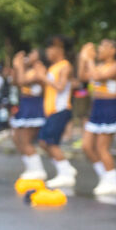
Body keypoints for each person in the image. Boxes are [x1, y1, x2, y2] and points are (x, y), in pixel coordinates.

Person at [77, 39, 116, 196]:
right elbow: (82, 77)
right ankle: (104, 177)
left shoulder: (115, 66)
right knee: (86, 146)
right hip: (97, 107)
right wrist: (82, 58)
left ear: (113, 50)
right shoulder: (99, 66)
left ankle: (114, 181)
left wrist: (89, 60)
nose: (99, 49)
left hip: (110, 107)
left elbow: (98, 77)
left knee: (102, 148)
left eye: (103, 47)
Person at [38, 36, 78, 189]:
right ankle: (65, 168)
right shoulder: (52, 67)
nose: (47, 52)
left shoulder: (65, 66)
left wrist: (43, 77)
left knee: (51, 143)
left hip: (61, 109)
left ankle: (65, 174)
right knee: (43, 142)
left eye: (50, 48)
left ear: (58, 49)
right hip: (50, 110)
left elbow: (60, 87)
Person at [10, 48, 48, 180]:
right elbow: (15, 82)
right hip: (25, 104)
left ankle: (38, 170)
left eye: (32, 53)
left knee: (26, 140)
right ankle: (30, 167)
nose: (29, 55)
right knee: (16, 138)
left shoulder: (40, 68)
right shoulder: (26, 69)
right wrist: (16, 67)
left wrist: (19, 65)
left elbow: (23, 81)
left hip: (34, 106)